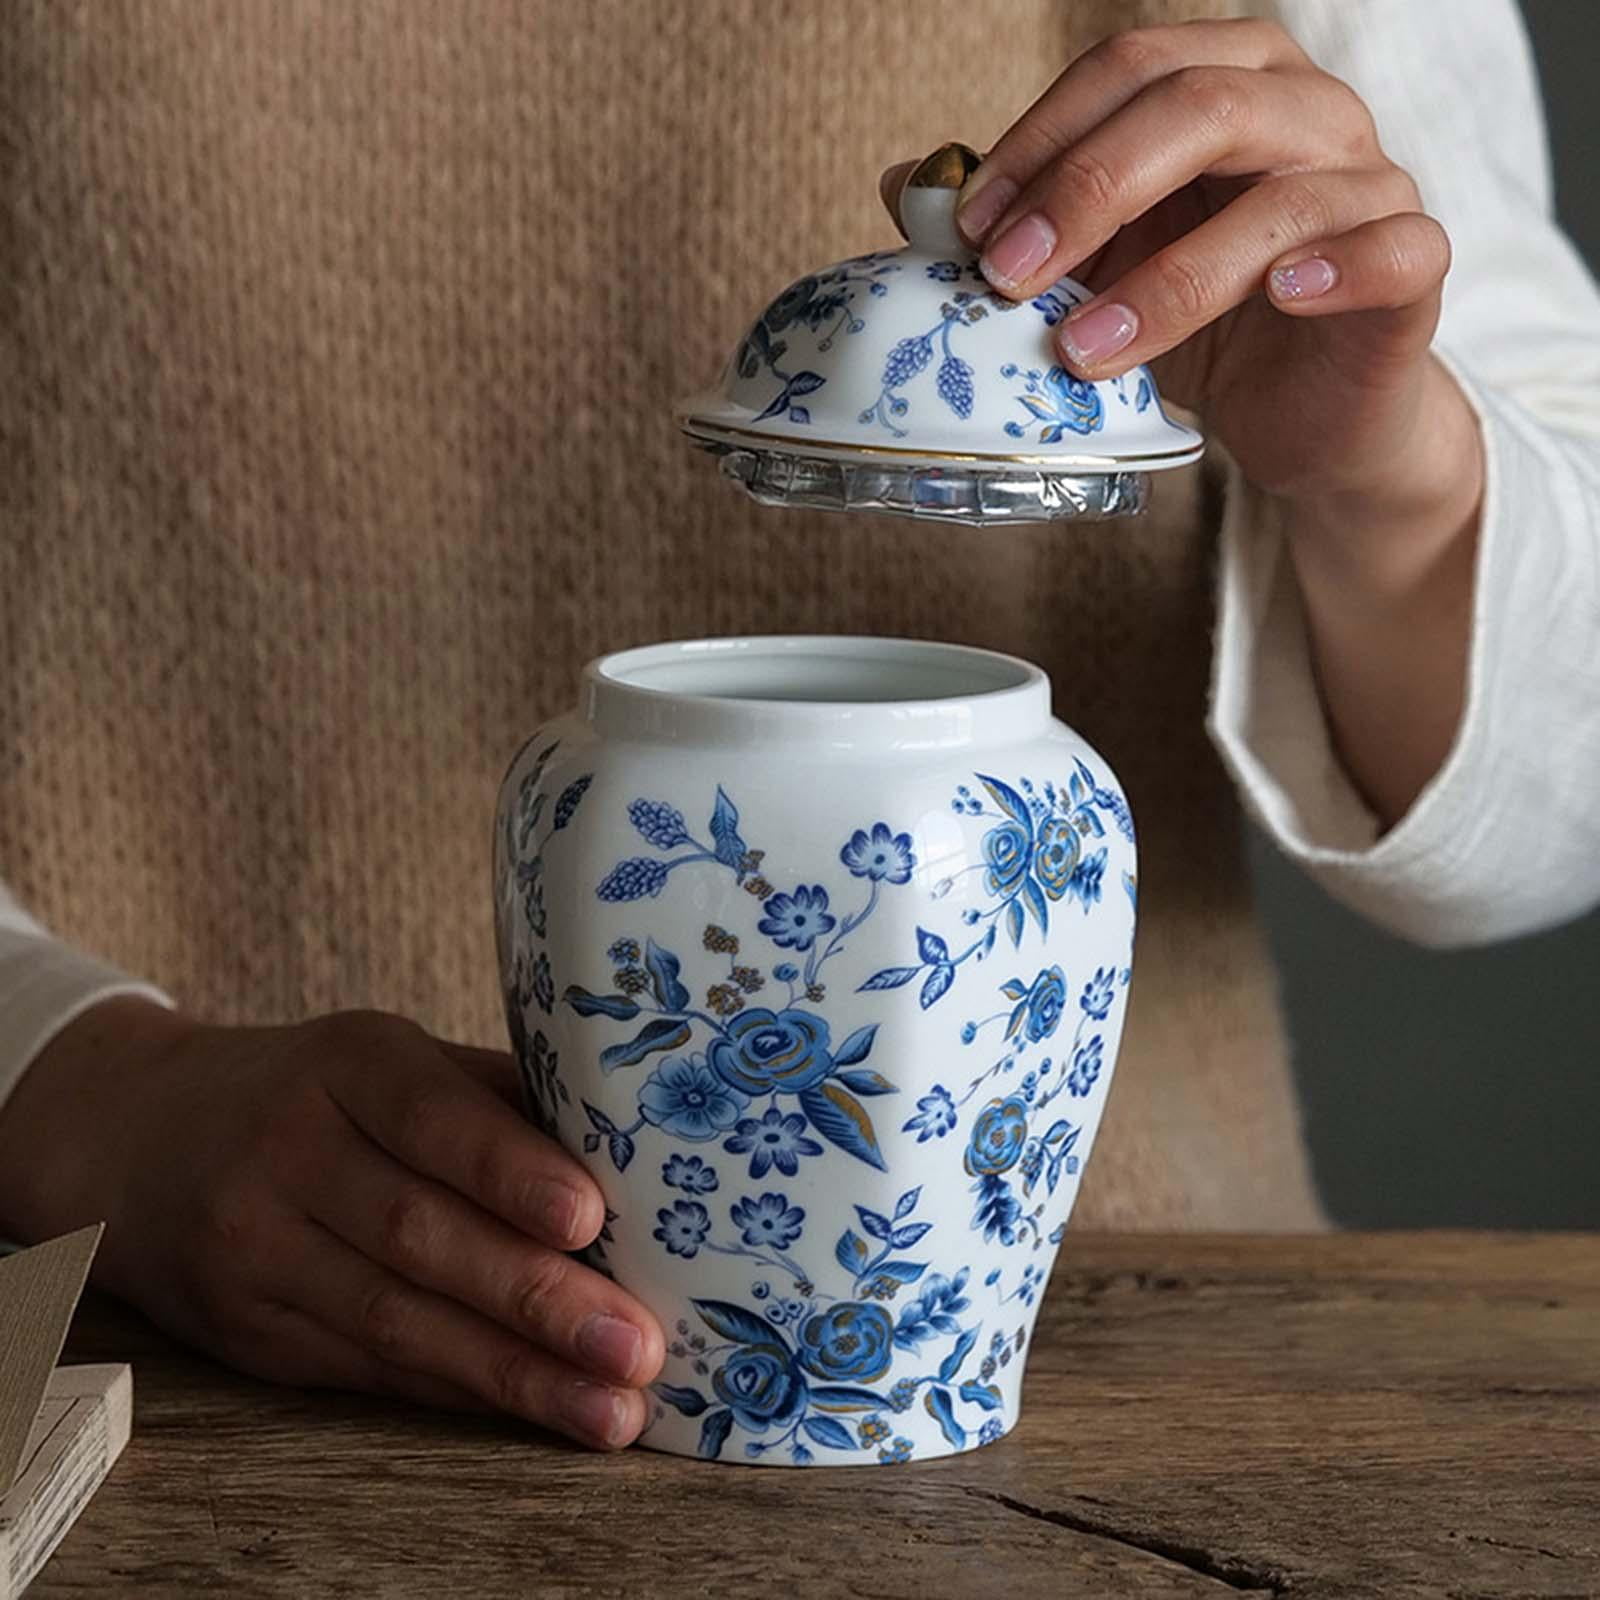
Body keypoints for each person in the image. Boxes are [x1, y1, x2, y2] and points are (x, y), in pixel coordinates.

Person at [0, 0, 1596, 1453]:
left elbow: (1560, 801)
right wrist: (79, 1086)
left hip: (1167, 1407)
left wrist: (1392, 473)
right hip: (162, 1399)